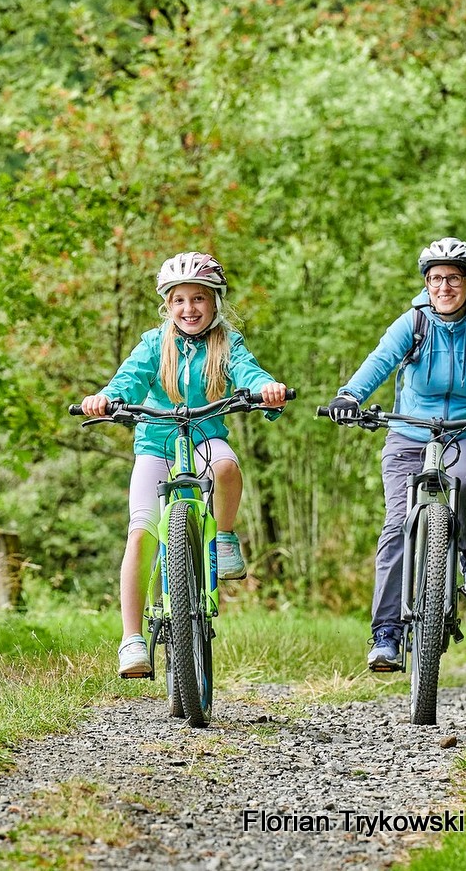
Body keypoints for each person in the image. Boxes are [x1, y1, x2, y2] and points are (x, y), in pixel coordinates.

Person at [326, 237, 466, 672]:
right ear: (426, 284)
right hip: (409, 434)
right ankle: (386, 635)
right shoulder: (412, 323)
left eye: (453, 278)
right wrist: (350, 395)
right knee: (395, 527)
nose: (444, 287)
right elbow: (379, 361)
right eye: (435, 279)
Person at [78, 251, 289, 679]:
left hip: (206, 438)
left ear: (215, 303)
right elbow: (128, 379)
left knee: (227, 469)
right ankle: (132, 640)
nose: (188, 309)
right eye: (179, 300)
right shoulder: (155, 344)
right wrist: (105, 397)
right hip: (156, 443)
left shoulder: (227, 343)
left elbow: (248, 372)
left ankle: (225, 537)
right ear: (167, 305)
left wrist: (266, 388)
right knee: (141, 531)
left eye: (198, 299)